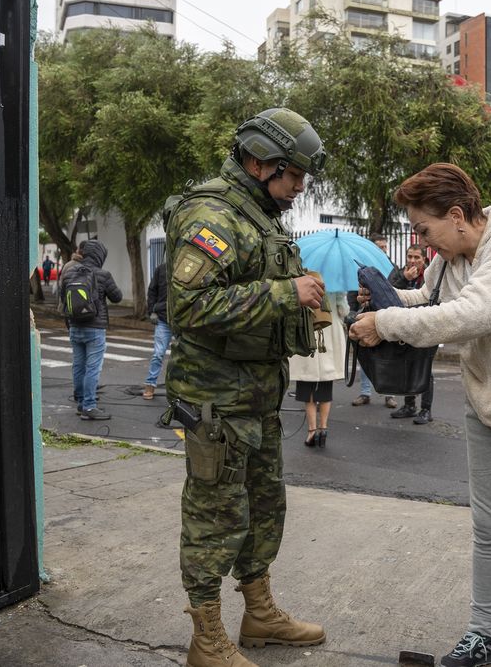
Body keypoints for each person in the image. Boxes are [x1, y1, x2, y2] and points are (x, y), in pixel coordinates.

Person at [349, 163, 491, 667]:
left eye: (425, 229)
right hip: (487, 407)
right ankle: (484, 634)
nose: (423, 240)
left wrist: (387, 324)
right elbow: (430, 300)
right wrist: (381, 303)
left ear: (457, 215)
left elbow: (475, 313)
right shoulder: (450, 256)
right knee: (490, 530)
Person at [162, 107, 328, 667]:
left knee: (262, 505)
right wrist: (287, 295)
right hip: (214, 400)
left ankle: (258, 613)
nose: (298, 189)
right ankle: (206, 639)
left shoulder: (259, 216)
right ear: (260, 162)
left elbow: (254, 292)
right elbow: (189, 307)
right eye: (293, 176)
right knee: (215, 514)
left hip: (255, 396)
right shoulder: (212, 214)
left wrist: (301, 297)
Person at [56, 240, 123, 421]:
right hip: (95, 328)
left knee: (78, 366)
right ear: (99, 255)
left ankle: (80, 403)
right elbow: (117, 297)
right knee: (92, 368)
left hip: (75, 326)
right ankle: (89, 406)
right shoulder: (103, 275)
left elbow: (63, 299)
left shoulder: (69, 273)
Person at [289, 292, 349, 448]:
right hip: (330, 330)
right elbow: (344, 310)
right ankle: (323, 429)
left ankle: (311, 431)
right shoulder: (335, 284)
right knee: (325, 384)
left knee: (306, 381)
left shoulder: (304, 279)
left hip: (307, 330)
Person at [349, 234, 398, 410]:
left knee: (389, 356)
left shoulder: (393, 268)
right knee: (366, 357)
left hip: (388, 318)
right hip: (366, 317)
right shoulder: (362, 269)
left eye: (385, 247)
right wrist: (354, 311)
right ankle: (365, 392)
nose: (383, 250)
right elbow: (353, 293)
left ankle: (390, 394)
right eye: (380, 247)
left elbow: (397, 289)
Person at [389, 244, 437, 424]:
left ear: (424, 259)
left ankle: (426, 409)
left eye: (417, 257)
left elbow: (434, 299)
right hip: (405, 328)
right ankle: (409, 405)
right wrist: (404, 278)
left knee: (425, 369)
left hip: (426, 328)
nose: (412, 260)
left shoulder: (430, 276)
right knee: (406, 367)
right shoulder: (399, 273)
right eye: (410, 256)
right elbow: (388, 291)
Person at [143, 262, 172, 401]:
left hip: (181, 320)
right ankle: (150, 385)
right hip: (162, 319)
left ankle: (181, 388)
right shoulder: (162, 269)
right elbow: (152, 290)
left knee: (183, 356)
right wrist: (152, 311)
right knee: (158, 354)